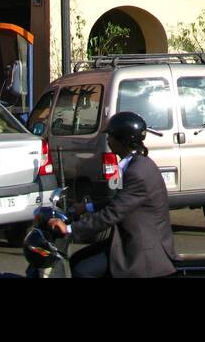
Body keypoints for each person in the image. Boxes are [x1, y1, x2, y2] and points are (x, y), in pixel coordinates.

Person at [46, 111, 175, 278]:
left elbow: (112, 214)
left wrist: (69, 229)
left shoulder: (137, 172)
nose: (108, 140)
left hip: (142, 251)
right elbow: (120, 202)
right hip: (132, 240)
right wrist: (87, 207)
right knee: (78, 259)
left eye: (111, 136)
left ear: (123, 140)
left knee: (82, 269)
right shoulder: (138, 164)